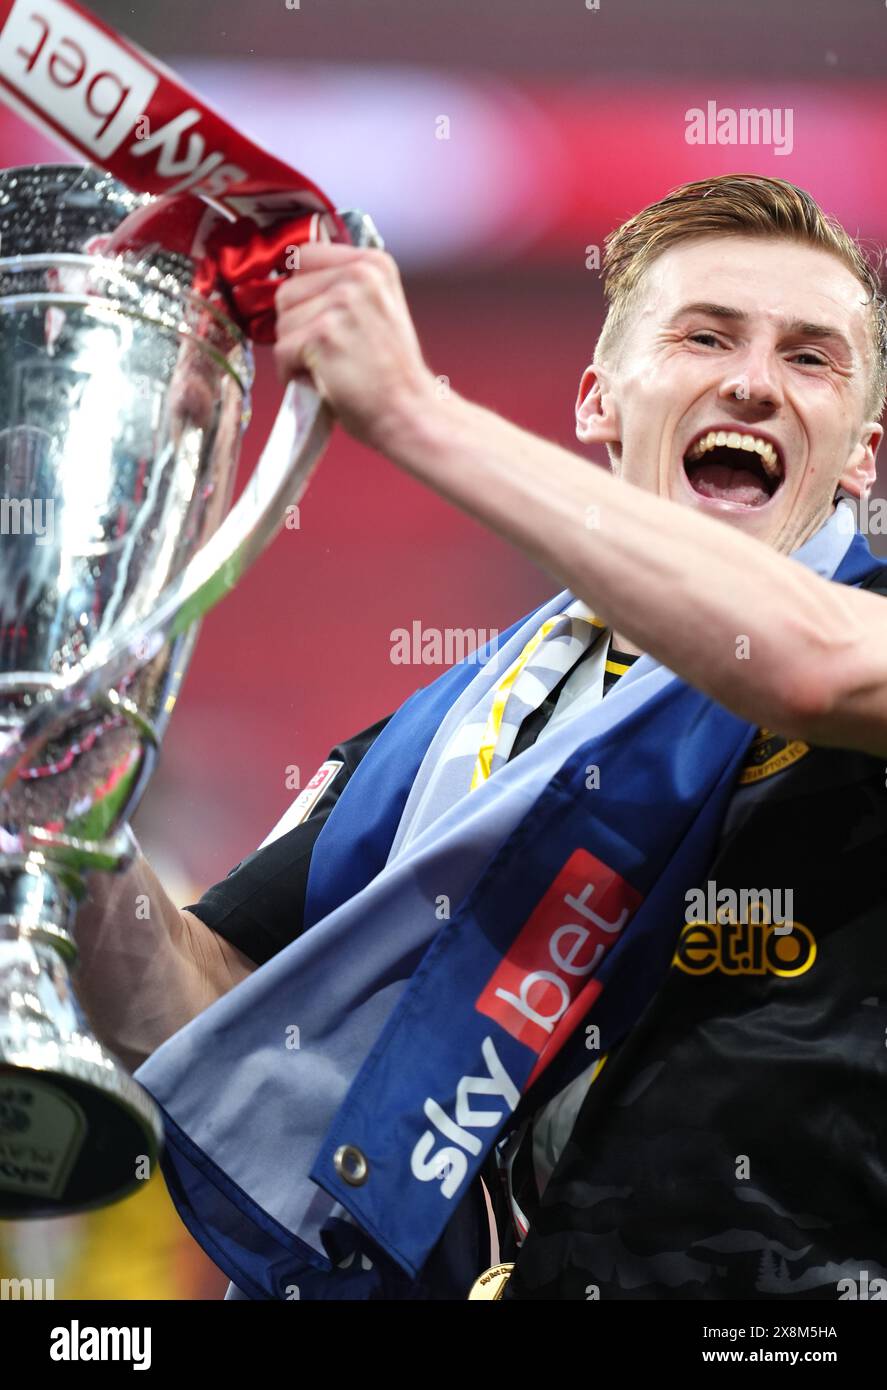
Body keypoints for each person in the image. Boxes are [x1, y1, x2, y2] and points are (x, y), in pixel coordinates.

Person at [73, 174, 887, 1300]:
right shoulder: (440, 732)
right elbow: (203, 1011)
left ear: (860, 452)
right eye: (705, 337)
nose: (752, 382)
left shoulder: (861, 645)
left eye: (809, 358)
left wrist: (413, 411)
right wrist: (66, 801)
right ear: (598, 402)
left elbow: (805, 664)